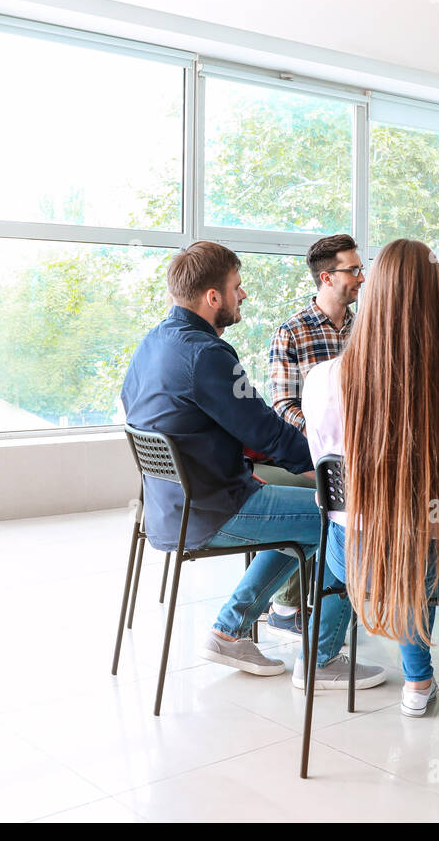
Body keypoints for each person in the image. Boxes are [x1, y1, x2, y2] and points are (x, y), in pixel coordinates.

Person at [120, 241, 385, 689]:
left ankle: (230, 630)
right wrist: (337, 471)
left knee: (307, 517)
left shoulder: (154, 342)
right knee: (344, 517)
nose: (242, 295)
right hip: (212, 508)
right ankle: (321, 660)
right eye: (236, 287)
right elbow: (267, 431)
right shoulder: (206, 354)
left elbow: (164, 415)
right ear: (213, 297)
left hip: (167, 507)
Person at [301, 239, 439, 727]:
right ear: (436, 299)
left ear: (372, 294)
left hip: (356, 559)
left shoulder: (324, 379)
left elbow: (324, 462)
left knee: (408, 546)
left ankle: (416, 683)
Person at [253, 234, 365, 640]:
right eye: (353, 270)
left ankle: (358, 595)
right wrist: (327, 438)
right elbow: (284, 405)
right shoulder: (292, 332)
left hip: (358, 451)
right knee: (333, 500)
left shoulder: (365, 329)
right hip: (307, 454)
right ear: (326, 277)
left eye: (361, 269)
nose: (361, 278)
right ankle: (287, 605)